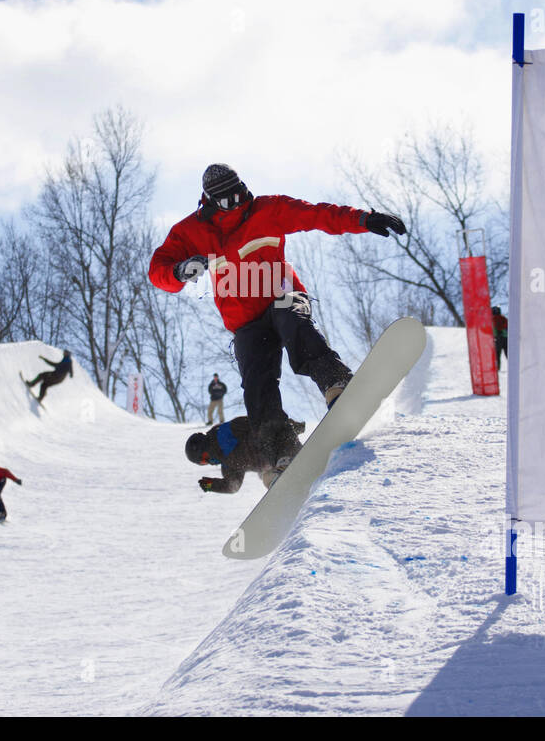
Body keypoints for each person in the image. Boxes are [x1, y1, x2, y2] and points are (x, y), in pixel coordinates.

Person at [150, 163, 404, 478]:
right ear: (210, 201)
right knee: (257, 386)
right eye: (229, 201)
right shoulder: (191, 232)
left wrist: (363, 219)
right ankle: (282, 449)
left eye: (241, 194)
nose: (239, 204)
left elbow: (317, 214)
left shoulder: (267, 209)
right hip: (246, 322)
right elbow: (158, 267)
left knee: (294, 323)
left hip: (283, 296)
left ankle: (334, 382)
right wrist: (179, 270)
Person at [186, 416, 307, 493]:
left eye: (204, 459)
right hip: (274, 464)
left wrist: (294, 426)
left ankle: (287, 464)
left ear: (204, 449)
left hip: (281, 445)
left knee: (274, 443)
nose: (209, 463)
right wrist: (211, 485)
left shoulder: (226, 431)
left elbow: (260, 420)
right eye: (203, 463)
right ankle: (284, 486)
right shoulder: (227, 465)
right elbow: (233, 486)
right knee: (266, 478)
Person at [492, 306, 509, 370]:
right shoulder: (504, 318)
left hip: (498, 339)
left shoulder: (493, 319)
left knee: (497, 354)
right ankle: (513, 366)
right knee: (508, 354)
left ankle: (497, 368)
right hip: (506, 338)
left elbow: (494, 330)